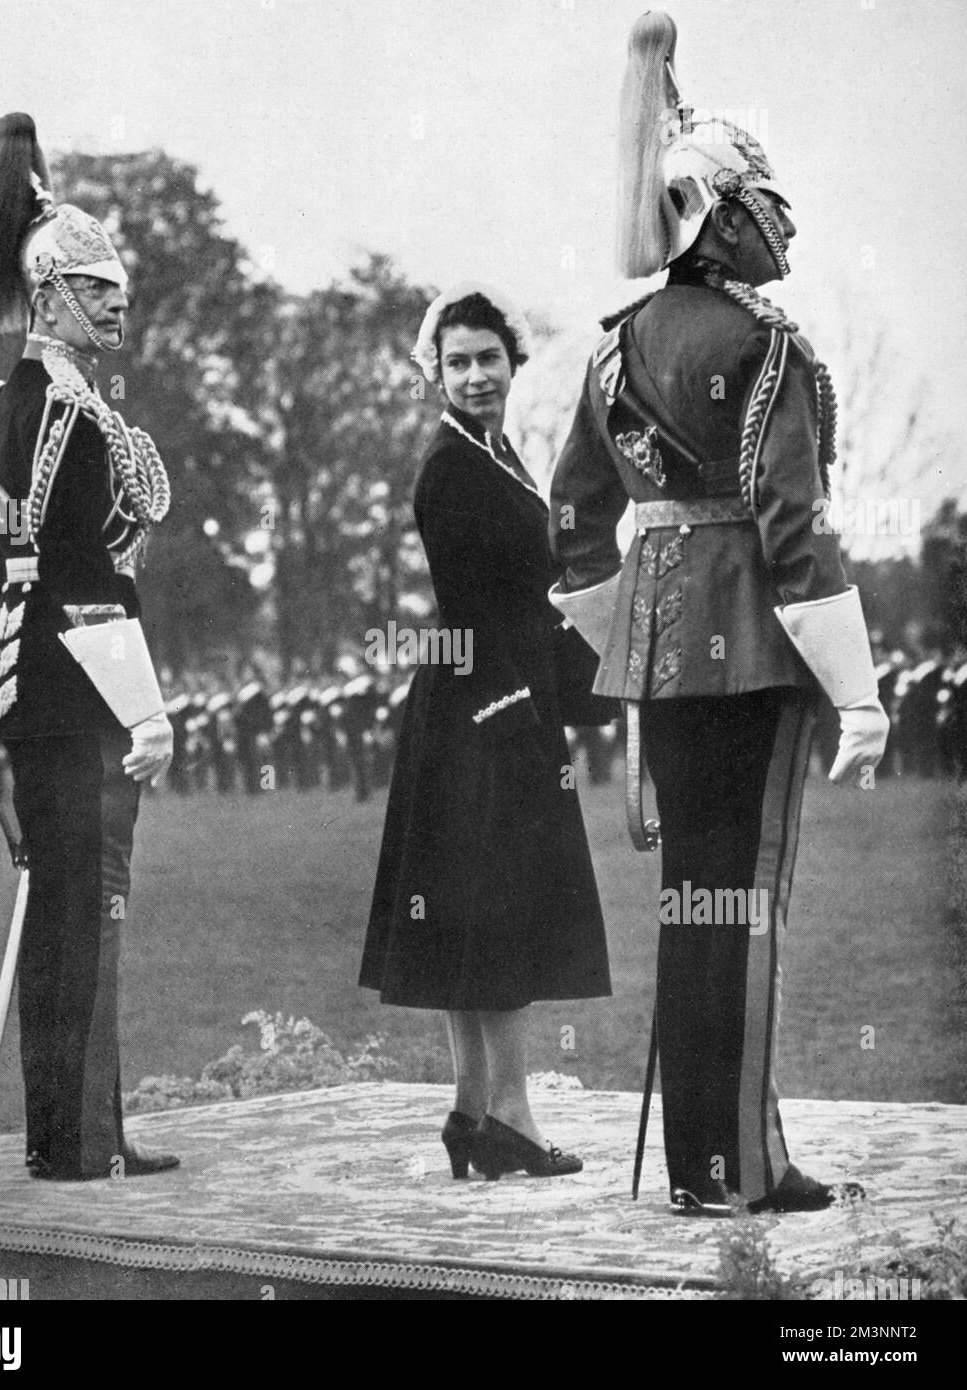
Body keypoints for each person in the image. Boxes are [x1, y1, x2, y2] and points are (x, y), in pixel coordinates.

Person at [549, 14, 889, 1215]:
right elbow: (793, 532)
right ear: (723, 213)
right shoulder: (766, 344)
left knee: (690, 902)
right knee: (741, 905)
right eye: (760, 203)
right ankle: (734, 1168)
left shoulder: (608, 354)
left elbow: (573, 526)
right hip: (750, 648)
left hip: (657, 652)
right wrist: (855, 687)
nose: (776, 223)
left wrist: (624, 632)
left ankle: (705, 1155)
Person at [0, 113, 178, 1181]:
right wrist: (146, 708)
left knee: (64, 907)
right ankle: (81, 1140)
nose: (117, 303)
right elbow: (89, 587)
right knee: (87, 905)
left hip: (21, 684)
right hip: (80, 689)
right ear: (48, 293)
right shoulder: (66, 415)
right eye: (98, 289)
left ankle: (67, 1130)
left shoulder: (11, 404)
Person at [360, 284, 612, 1181]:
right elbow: (472, 607)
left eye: (487, 358)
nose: (474, 375)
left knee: (473, 914)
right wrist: (516, 718)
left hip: (484, 702)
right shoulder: (450, 468)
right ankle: (510, 1115)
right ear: (434, 372)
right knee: (496, 913)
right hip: (482, 708)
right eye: (456, 362)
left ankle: (473, 1112)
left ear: (513, 362)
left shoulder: (495, 452)